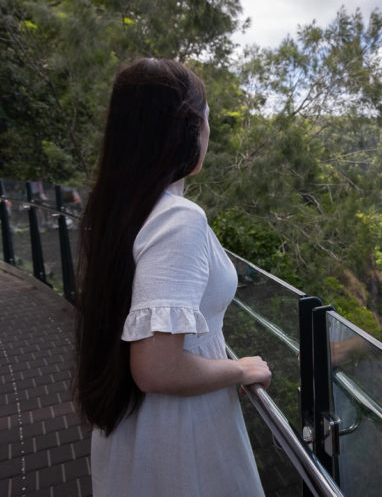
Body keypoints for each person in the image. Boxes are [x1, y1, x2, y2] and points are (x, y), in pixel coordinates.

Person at [74, 58, 271, 496]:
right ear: (188, 130)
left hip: (137, 427)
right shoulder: (179, 219)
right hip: (181, 439)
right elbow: (157, 368)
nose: (208, 133)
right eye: (206, 120)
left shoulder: (116, 210)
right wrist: (237, 369)